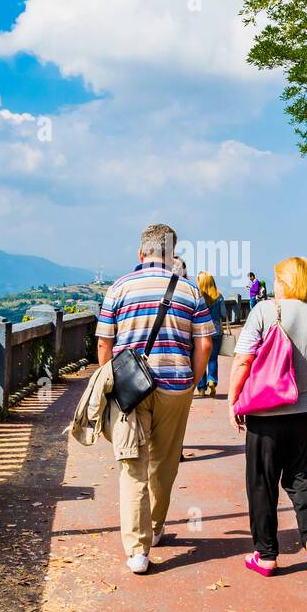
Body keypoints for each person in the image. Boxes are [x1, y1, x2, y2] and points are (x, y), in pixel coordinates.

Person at [97, 224, 214, 574]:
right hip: (175, 387)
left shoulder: (118, 289)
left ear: (141, 253)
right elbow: (205, 343)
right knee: (163, 463)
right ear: (172, 254)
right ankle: (157, 527)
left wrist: (113, 382)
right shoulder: (190, 290)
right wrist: (191, 381)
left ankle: (137, 551)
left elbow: (104, 343)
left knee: (132, 465)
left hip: (130, 389)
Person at [227, 256, 307, 589]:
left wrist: (234, 401)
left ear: (284, 281)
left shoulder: (264, 311)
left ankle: (265, 556)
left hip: (266, 414)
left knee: (262, 483)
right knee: (305, 483)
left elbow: (242, 361)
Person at [196, 271, 224, 397]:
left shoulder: (197, 297)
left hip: (200, 332)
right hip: (216, 331)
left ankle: (201, 388)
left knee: (200, 358)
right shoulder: (219, 297)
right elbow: (223, 314)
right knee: (212, 358)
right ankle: (212, 380)